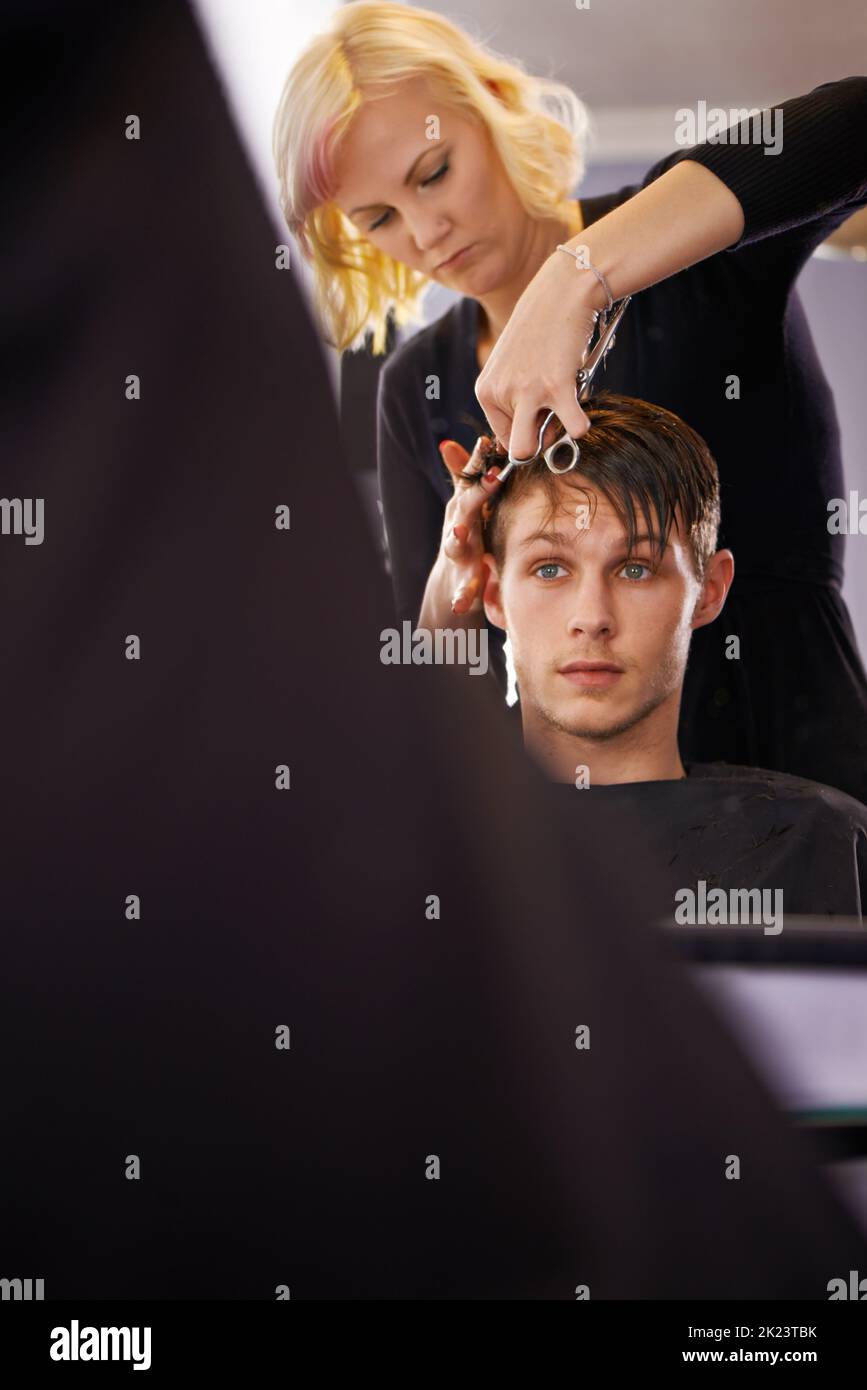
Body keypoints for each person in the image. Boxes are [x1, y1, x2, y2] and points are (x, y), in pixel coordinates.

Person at [272, 0, 867, 803]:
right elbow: (447, 696)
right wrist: (455, 581)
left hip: (806, 764)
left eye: (434, 172)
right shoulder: (416, 384)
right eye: (379, 218)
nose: (426, 230)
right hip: (590, 824)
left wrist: (575, 277)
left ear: (494, 104)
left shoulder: (678, 246)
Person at [473, 392, 867, 918]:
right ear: (493, 592)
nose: (591, 617)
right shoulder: (418, 845)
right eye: (550, 569)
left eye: (635, 569)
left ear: (709, 590)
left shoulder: (823, 848)